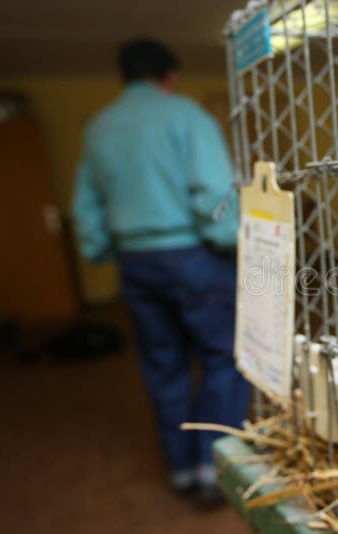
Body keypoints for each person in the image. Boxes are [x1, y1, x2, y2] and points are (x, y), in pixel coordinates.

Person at [72, 38, 250, 505]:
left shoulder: (99, 128)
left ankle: (182, 469)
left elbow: (86, 208)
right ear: (170, 75)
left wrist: (102, 250)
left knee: (162, 363)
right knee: (222, 359)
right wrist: (235, 240)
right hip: (193, 256)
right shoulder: (187, 116)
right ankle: (217, 467)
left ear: (123, 77)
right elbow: (215, 195)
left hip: (136, 262)